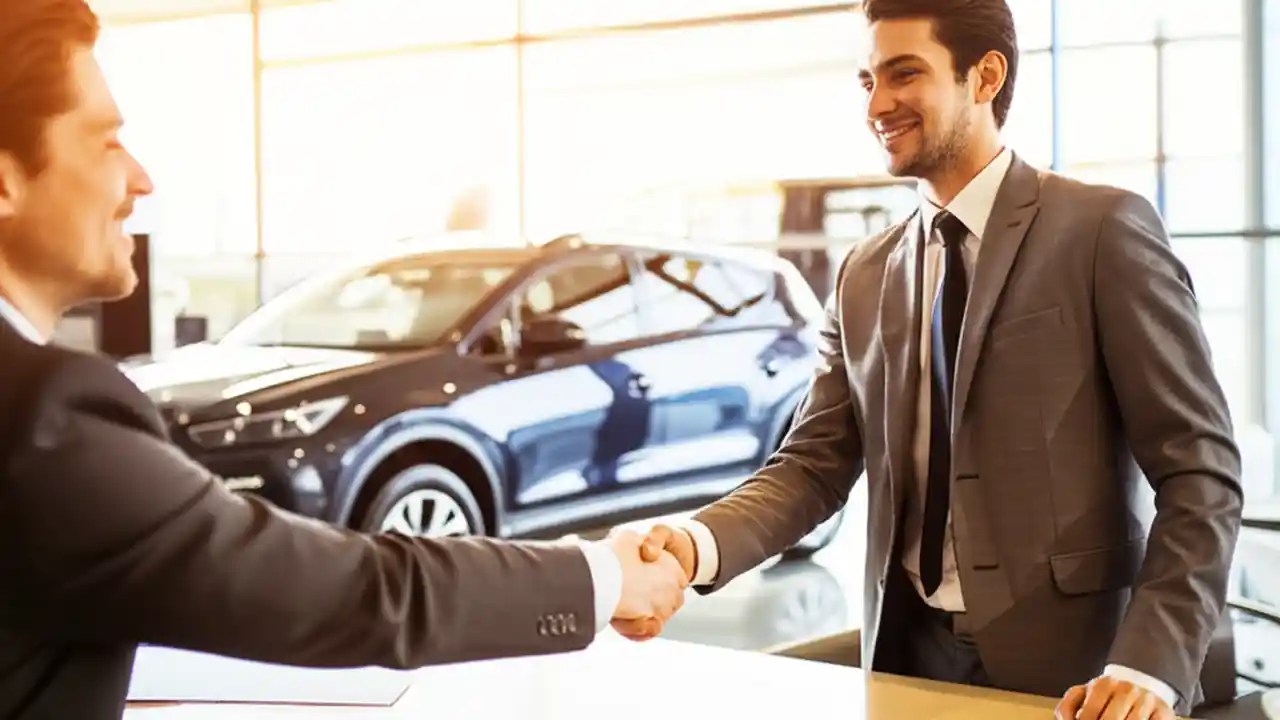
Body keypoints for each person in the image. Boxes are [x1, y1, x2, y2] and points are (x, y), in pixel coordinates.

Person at [0, 2, 686, 718]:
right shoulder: (41, 415)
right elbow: (351, 589)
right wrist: (602, 576)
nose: (141, 180)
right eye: (107, 141)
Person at [629, 2, 1243, 719]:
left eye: (904, 74)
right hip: (906, 661)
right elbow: (812, 465)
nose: (877, 104)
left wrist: (1150, 665)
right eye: (867, 80)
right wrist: (694, 545)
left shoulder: (1103, 230)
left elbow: (1200, 472)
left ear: (985, 78)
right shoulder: (864, 272)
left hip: (1082, 675)